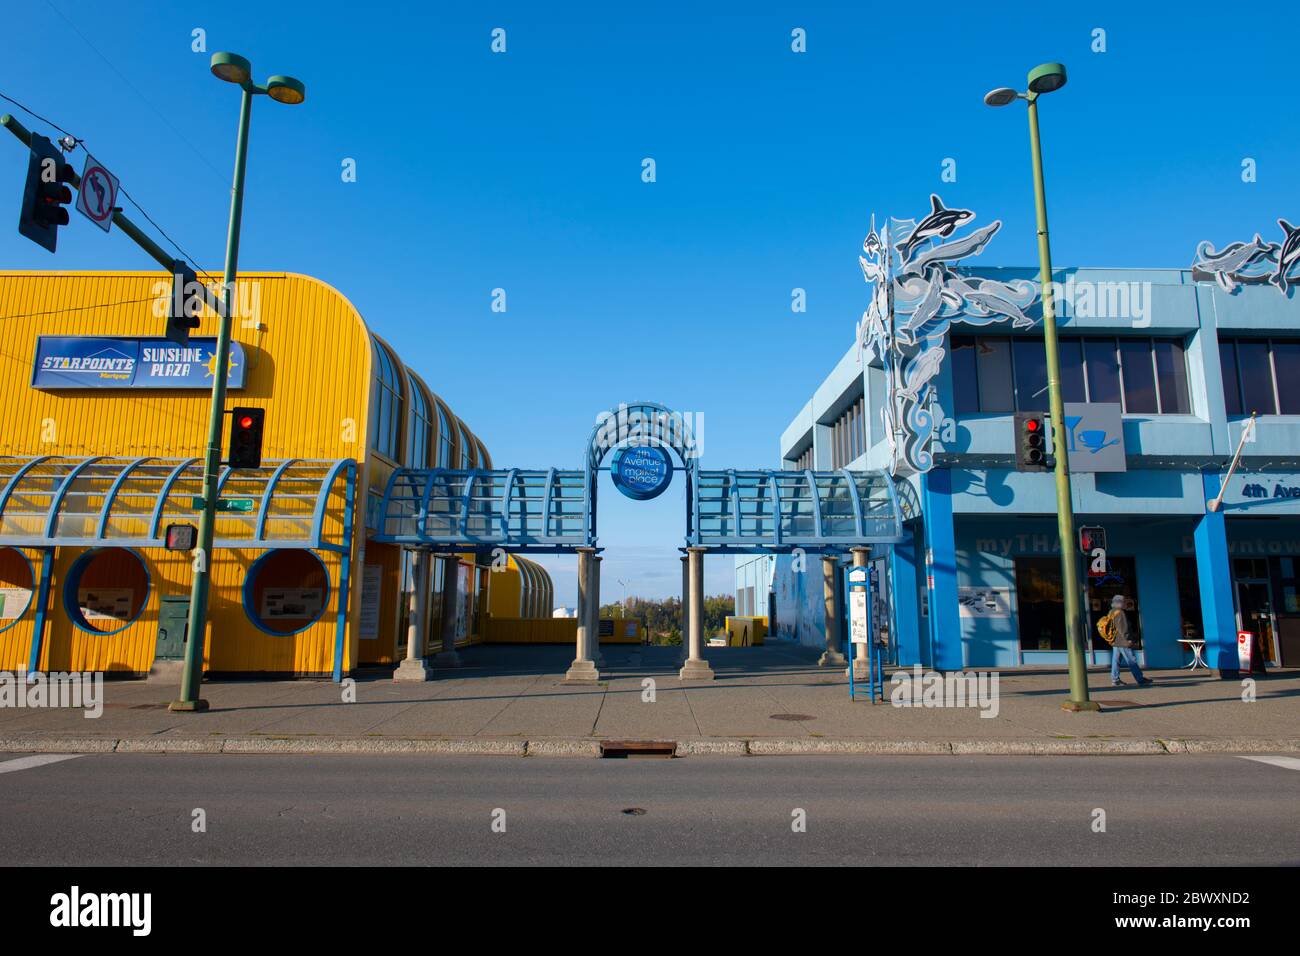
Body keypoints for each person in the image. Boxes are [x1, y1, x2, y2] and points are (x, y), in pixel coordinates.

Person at [1107, 595, 1152, 686]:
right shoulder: (1120, 613)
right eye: (1124, 602)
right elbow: (1123, 629)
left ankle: (1115, 679)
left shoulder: (1111, 612)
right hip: (1123, 641)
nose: (1125, 603)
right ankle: (1140, 679)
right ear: (1120, 603)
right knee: (1131, 660)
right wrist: (1128, 640)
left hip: (1115, 640)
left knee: (1116, 660)